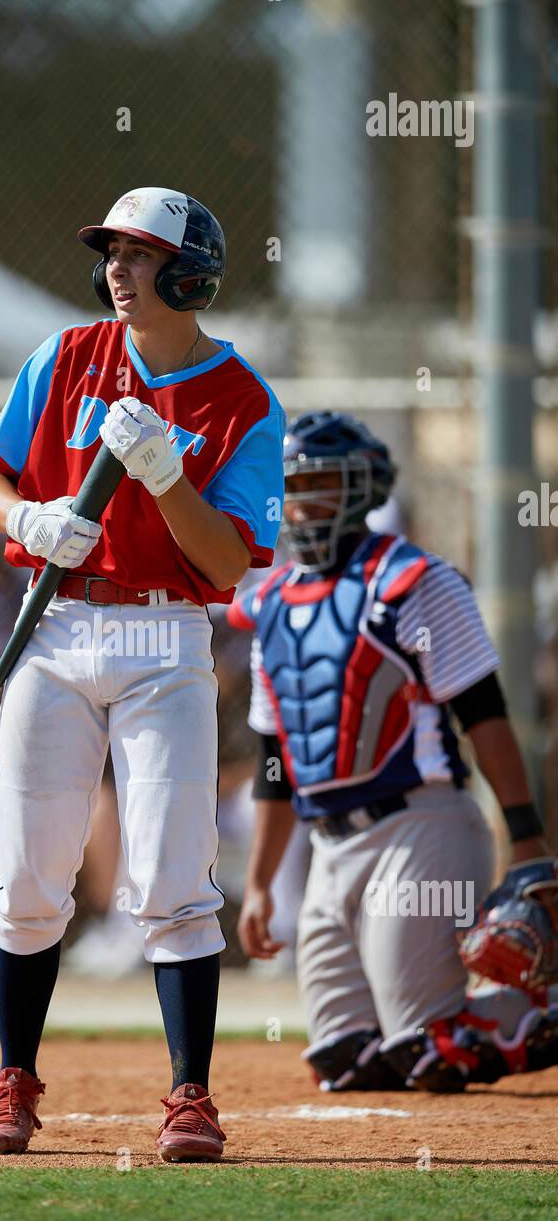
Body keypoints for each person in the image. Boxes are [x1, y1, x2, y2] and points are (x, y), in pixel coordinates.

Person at [0, 187, 284, 1160]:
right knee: (25, 875)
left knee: (172, 879)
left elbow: (228, 565)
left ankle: (188, 1094)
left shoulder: (243, 402)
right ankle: (12, 1079)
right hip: (52, 629)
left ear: (191, 275)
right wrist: (22, 519)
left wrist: (163, 477)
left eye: (140, 255)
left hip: (164, 638)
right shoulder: (62, 358)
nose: (117, 269)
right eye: (111, 252)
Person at [230, 410, 558, 1093]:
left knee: (431, 1050)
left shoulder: (415, 580)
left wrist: (525, 834)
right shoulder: (270, 602)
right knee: (347, 1062)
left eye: (322, 484)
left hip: (421, 826)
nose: (304, 503)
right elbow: (274, 762)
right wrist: (260, 882)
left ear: (366, 489)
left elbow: (485, 714)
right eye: (293, 488)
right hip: (329, 846)